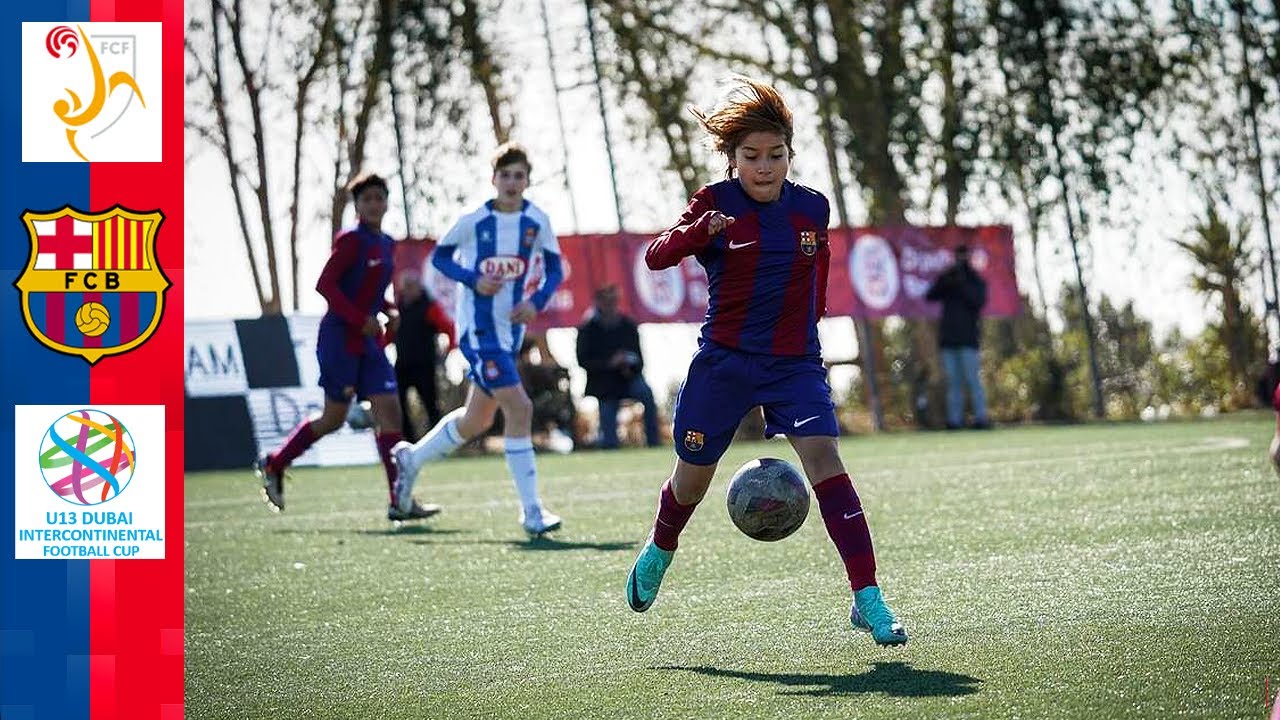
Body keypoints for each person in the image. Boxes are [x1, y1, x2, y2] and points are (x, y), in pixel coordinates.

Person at [624, 78, 908, 647]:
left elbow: (818, 273)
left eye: (775, 155)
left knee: (825, 459)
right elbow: (655, 257)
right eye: (751, 156)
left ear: (789, 154)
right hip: (725, 363)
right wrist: (696, 232)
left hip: (793, 364)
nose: (764, 166)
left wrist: (812, 332)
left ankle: (868, 597)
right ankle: (660, 547)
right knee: (691, 481)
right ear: (732, 159)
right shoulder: (715, 203)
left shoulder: (812, 208)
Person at [392, 143, 566, 536]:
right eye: (505, 175)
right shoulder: (474, 219)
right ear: (493, 179)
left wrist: (535, 302)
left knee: (476, 420)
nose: (511, 182)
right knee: (519, 407)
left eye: (518, 175)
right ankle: (532, 512)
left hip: (509, 332)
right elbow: (441, 257)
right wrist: (473, 279)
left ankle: (411, 460)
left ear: (527, 180)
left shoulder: (536, 220)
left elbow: (554, 270)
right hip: (478, 331)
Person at [254, 172, 441, 522]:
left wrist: (389, 310)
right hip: (340, 340)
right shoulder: (351, 240)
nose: (373, 204)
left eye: (379, 198)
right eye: (366, 199)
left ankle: (399, 500)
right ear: (357, 205)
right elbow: (325, 285)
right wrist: (359, 318)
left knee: (391, 413)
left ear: (387, 202)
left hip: (370, 343)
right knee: (332, 419)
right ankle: (275, 463)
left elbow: (372, 292)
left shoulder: (387, 243)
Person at [576, 284, 660, 449]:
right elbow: (583, 361)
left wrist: (628, 365)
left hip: (628, 379)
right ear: (598, 302)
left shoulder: (628, 325)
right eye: (606, 301)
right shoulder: (587, 329)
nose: (610, 305)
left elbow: (639, 359)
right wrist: (609, 363)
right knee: (608, 417)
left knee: (645, 392)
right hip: (604, 384)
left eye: (613, 301)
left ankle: (653, 441)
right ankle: (609, 445)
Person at [925, 244, 991, 430]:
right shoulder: (948, 278)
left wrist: (962, 283)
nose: (960, 260)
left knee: (972, 380)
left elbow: (978, 301)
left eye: (964, 256)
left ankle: (981, 418)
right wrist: (947, 279)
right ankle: (954, 420)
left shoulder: (974, 279)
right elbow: (930, 295)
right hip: (949, 340)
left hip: (968, 339)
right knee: (953, 383)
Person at [393, 267, 455, 441]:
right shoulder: (399, 308)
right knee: (398, 404)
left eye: (411, 286)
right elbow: (390, 333)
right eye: (405, 286)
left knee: (430, 404)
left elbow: (449, 328)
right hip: (402, 364)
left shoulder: (429, 306)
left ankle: (439, 442)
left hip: (424, 364)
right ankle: (409, 441)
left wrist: (449, 350)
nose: (407, 290)